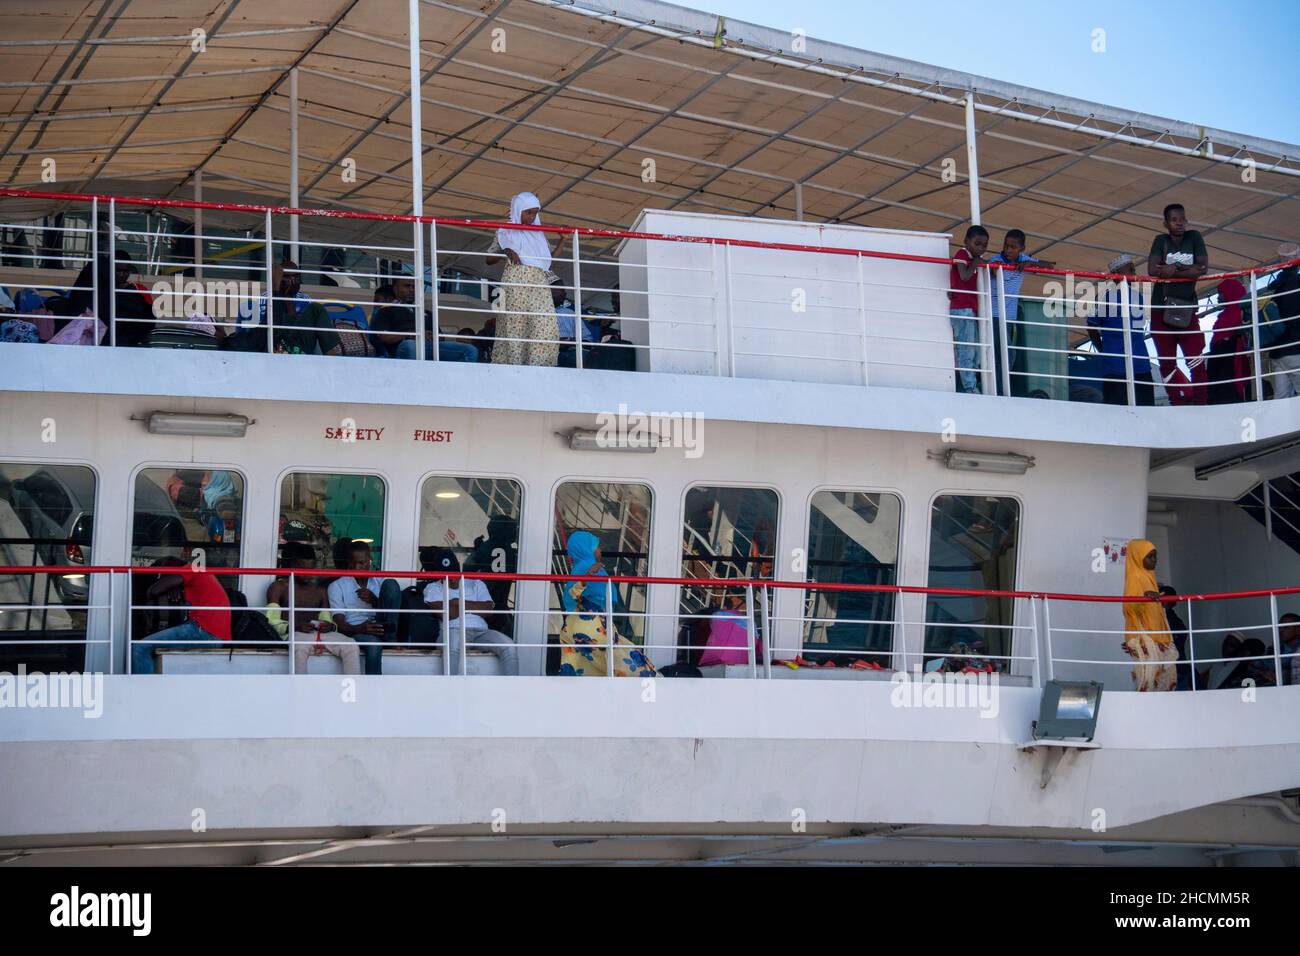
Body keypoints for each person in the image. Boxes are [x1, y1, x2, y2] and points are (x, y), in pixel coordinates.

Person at [555, 530, 656, 677]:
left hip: (575, 627)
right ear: (586, 549)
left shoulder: (582, 567)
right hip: (590, 628)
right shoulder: (585, 567)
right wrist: (588, 576)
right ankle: (654, 687)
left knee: (580, 669)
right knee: (633, 666)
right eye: (596, 547)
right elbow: (572, 594)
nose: (600, 550)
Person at [487, 192, 561, 367]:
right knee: (515, 326)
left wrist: (563, 242)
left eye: (535, 213)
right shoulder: (504, 231)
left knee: (545, 325)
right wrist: (506, 250)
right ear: (518, 210)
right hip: (515, 283)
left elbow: (547, 261)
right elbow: (488, 259)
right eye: (528, 212)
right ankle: (514, 368)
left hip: (539, 284)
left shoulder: (538, 233)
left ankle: (539, 367)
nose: (532, 216)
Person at [1147, 204, 1209, 405]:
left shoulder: (1194, 237)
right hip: (1161, 308)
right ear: (1166, 223)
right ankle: (1177, 401)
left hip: (1186, 308)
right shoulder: (1161, 240)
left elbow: (1202, 267)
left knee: (1195, 359)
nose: (1180, 222)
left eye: (1182, 218)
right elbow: (1152, 269)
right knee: (1167, 362)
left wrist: (1173, 268)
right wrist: (1186, 271)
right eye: (1174, 219)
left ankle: (1200, 402)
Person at [422, 548, 518, 676]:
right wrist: (474, 606)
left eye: (454, 574)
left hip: (481, 632)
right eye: (447, 576)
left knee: (509, 646)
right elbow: (449, 615)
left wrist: (457, 602)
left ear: (459, 569)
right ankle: (449, 690)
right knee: (453, 645)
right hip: (453, 631)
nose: (452, 579)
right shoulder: (432, 588)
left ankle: (512, 692)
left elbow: (488, 610)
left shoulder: (476, 583)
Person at [130, 557, 231, 674]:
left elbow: (153, 590)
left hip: (203, 632)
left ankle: (144, 690)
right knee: (151, 647)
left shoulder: (191, 569)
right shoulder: (198, 572)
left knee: (140, 649)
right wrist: (174, 585)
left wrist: (167, 583)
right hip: (213, 634)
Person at [988, 229, 1054, 395]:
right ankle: (998, 390)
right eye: (1006, 246)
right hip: (993, 315)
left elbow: (1050, 265)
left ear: (1022, 249)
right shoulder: (996, 260)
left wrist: (1030, 264)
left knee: (1008, 354)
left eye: (1013, 247)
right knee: (1002, 353)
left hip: (1009, 317)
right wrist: (995, 270)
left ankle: (1002, 388)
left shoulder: (1024, 260)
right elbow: (987, 271)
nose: (1008, 250)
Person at [1088, 254, 1155, 405]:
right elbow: (1091, 326)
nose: (1134, 272)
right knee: (1117, 409)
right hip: (1115, 365)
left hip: (1140, 362)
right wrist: (1104, 350)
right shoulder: (1103, 296)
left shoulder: (1138, 296)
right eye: (1130, 269)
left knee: (1147, 408)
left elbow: (1139, 329)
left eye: (1133, 269)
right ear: (1117, 274)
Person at [327, 539, 401, 675]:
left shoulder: (380, 581)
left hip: (382, 627)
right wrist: (361, 628)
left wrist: (374, 600)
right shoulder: (337, 586)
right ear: (348, 562)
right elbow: (340, 624)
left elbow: (392, 607)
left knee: (391, 584)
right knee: (374, 645)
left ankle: (390, 638)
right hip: (356, 631)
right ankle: (372, 690)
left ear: (370, 561)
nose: (357, 568)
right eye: (353, 563)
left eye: (362, 563)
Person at [235, 259, 341, 355]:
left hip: (298, 345)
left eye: (295, 277)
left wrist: (288, 298)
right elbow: (266, 328)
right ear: (278, 278)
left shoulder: (304, 298)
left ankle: (331, 356)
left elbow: (297, 329)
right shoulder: (265, 297)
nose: (292, 281)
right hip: (273, 342)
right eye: (287, 277)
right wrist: (279, 293)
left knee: (317, 308)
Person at [372, 276, 478, 362]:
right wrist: (412, 335)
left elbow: (441, 338)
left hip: (429, 347)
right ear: (395, 289)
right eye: (407, 286)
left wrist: (433, 336)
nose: (412, 290)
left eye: (414, 287)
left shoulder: (427, 312)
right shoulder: (386, 310)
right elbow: (383, 336)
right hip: (404, 347)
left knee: (470, 350)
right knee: (411, 345)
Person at [1120, 539, 1178, 692]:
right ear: (1137, 557)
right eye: (1149, 556)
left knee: (1167, 679)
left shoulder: (1149, 575)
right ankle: (1149, 711)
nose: (1154, 560)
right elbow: (1129, 607)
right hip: (1145, 637)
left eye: (1155, 556)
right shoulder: (1135, 576)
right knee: (1148, 680)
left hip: (1158, 636)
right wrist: (1145, 596)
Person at [69, 250, 155, 347]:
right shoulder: (98, 281)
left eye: (125, 271)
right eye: (118, 270)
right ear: (109, 268)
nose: (122, 275)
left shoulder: (129, 289)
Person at [948, 225, 988, 394]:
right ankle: (969, 387)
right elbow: (964, 276)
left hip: (970, 309)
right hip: (962, 309)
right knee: (966, 350)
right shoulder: (962, 254)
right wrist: (977, 262)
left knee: (977, 351)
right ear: (966, 241)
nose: (981, 248)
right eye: (977, 243)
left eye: (984, 245)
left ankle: (973, 383)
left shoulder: (973, 258)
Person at [1201, 277, 1250, 404]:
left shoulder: (1242, 312)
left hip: (1230, 355)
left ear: (1230, 292)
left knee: (1227, 386)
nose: (1218, 297)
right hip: (1220, 356)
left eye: (1221, 293)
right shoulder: (1226, 314)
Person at [1263, 257, 1300, 399]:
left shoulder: (1273, 288)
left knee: (1281, 399)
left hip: (1276, 352)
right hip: (1295, 347)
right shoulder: (1297, 284)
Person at [1280, 612, 1300, 686]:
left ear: (1298, 630)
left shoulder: (1298, 649)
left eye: (1285, 627)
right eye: (1279, 627)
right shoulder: (1273, 649)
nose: (1280, 630)